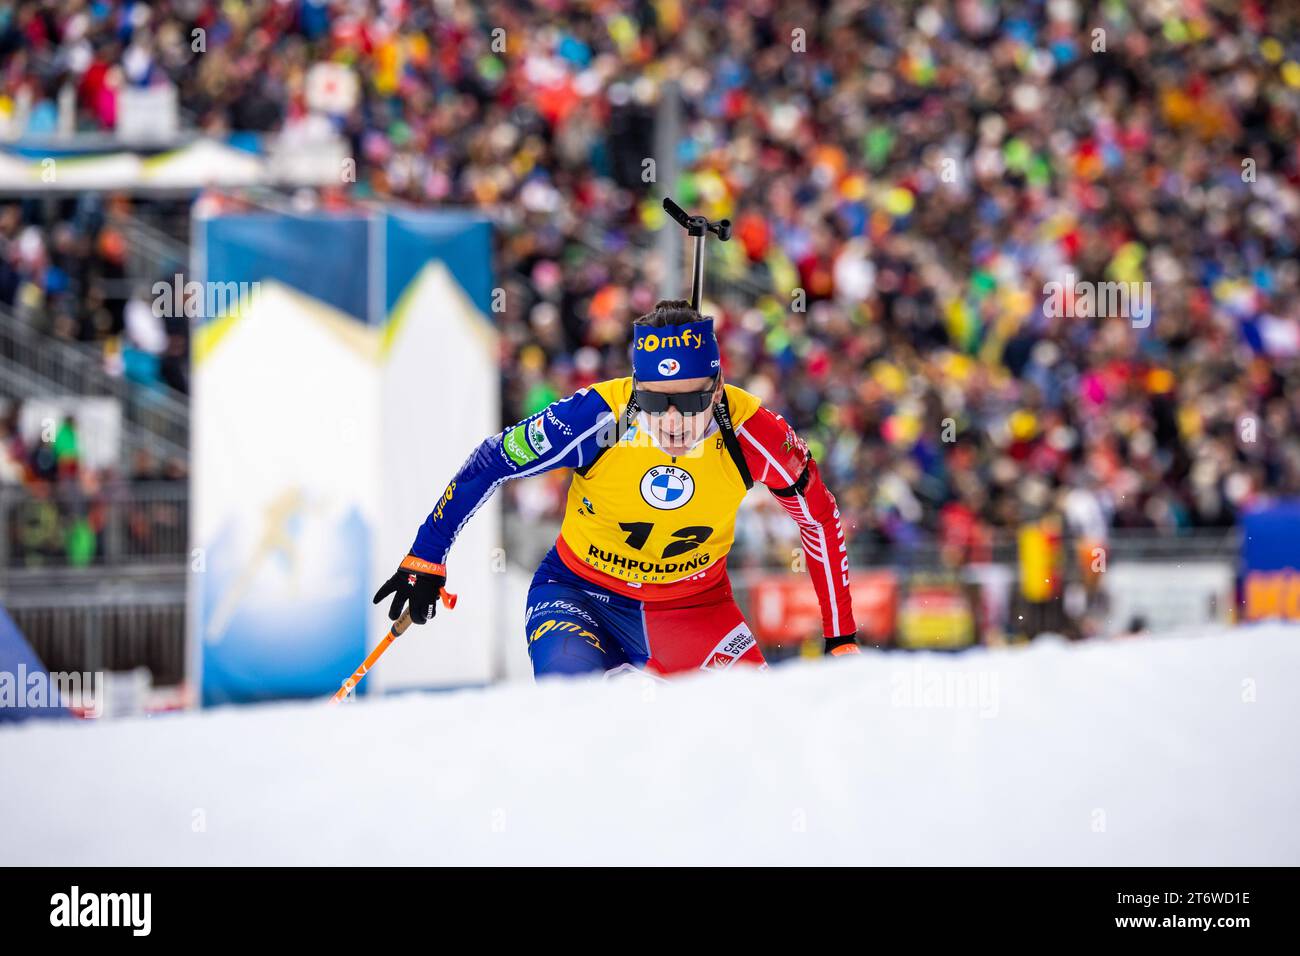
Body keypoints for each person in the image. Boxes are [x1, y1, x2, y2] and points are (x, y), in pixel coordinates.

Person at [374, 300, 860, 677]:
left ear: (717, 388)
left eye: (690, 400)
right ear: (634, 386)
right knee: (575, 713)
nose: (672, 420)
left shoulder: (754, 432)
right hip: (580, 596)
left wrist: (841, 639)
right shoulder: (597, 417)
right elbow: (491, 461)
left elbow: (819, 517)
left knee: (756, 731)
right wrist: (427, 555)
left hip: (692, 610)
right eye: (653, 399)